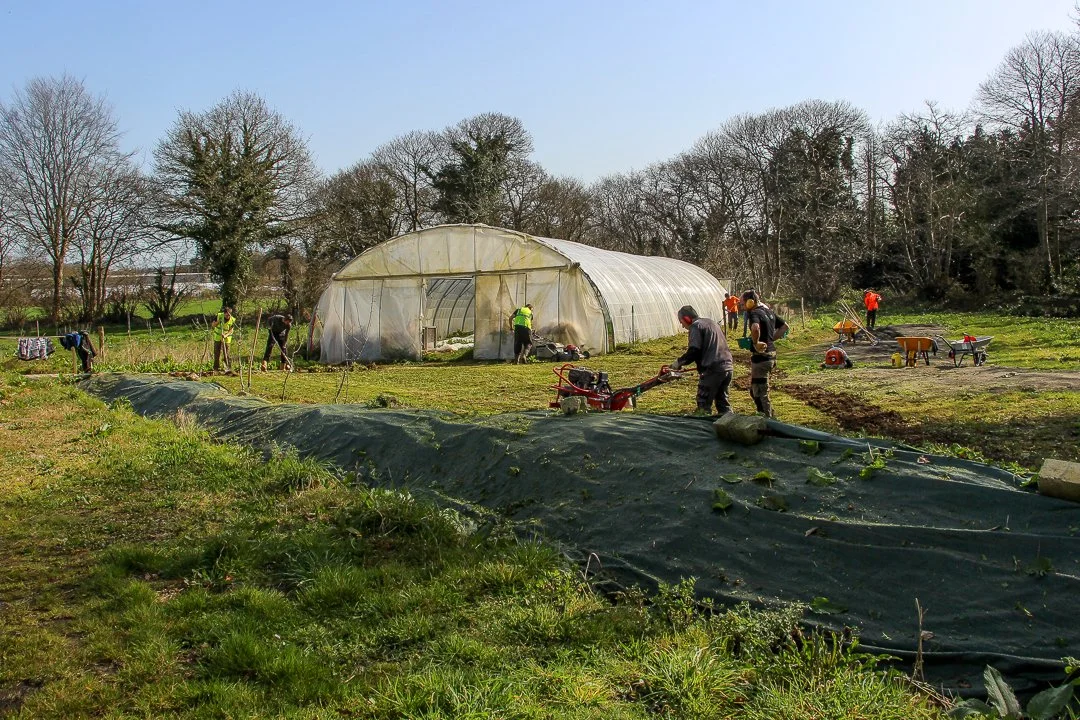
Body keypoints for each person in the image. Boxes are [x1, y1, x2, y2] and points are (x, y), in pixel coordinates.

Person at [670, 305, 733, 416]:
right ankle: (729, 425)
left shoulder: (696, 326)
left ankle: (703, 429)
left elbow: (694, 351)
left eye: (681, 321)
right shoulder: (711, 322)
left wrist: (678, 362)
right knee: (722, 401)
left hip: (713, 369)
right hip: (727, 367)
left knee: (703, 403)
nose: (681, 325)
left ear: (686, 319)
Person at [741, 290, 782, 418]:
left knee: (760, 391)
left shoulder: (755, 313)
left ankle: (768, 420)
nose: (742, 307)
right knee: (755, 391)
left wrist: (756, 342)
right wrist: (771, 339)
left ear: (750, 302)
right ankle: (765, 414)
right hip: (771, 355)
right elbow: (784, 326)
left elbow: (755, 328)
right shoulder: (769, 311)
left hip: (761, 358)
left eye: (742, 304)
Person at [212, 307, 236, 372]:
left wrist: (225, 335)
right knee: (217, 353)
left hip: (226, 338)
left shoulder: (232, 320)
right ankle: (216, 368)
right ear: (224, 313)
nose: (228, 316)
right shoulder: (219, 316)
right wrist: (218, 322)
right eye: (226, 315)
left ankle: (228, 368)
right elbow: (213, 325)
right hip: (217, 337)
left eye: (229, 315)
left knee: (226, 354)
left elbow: (231, 330)